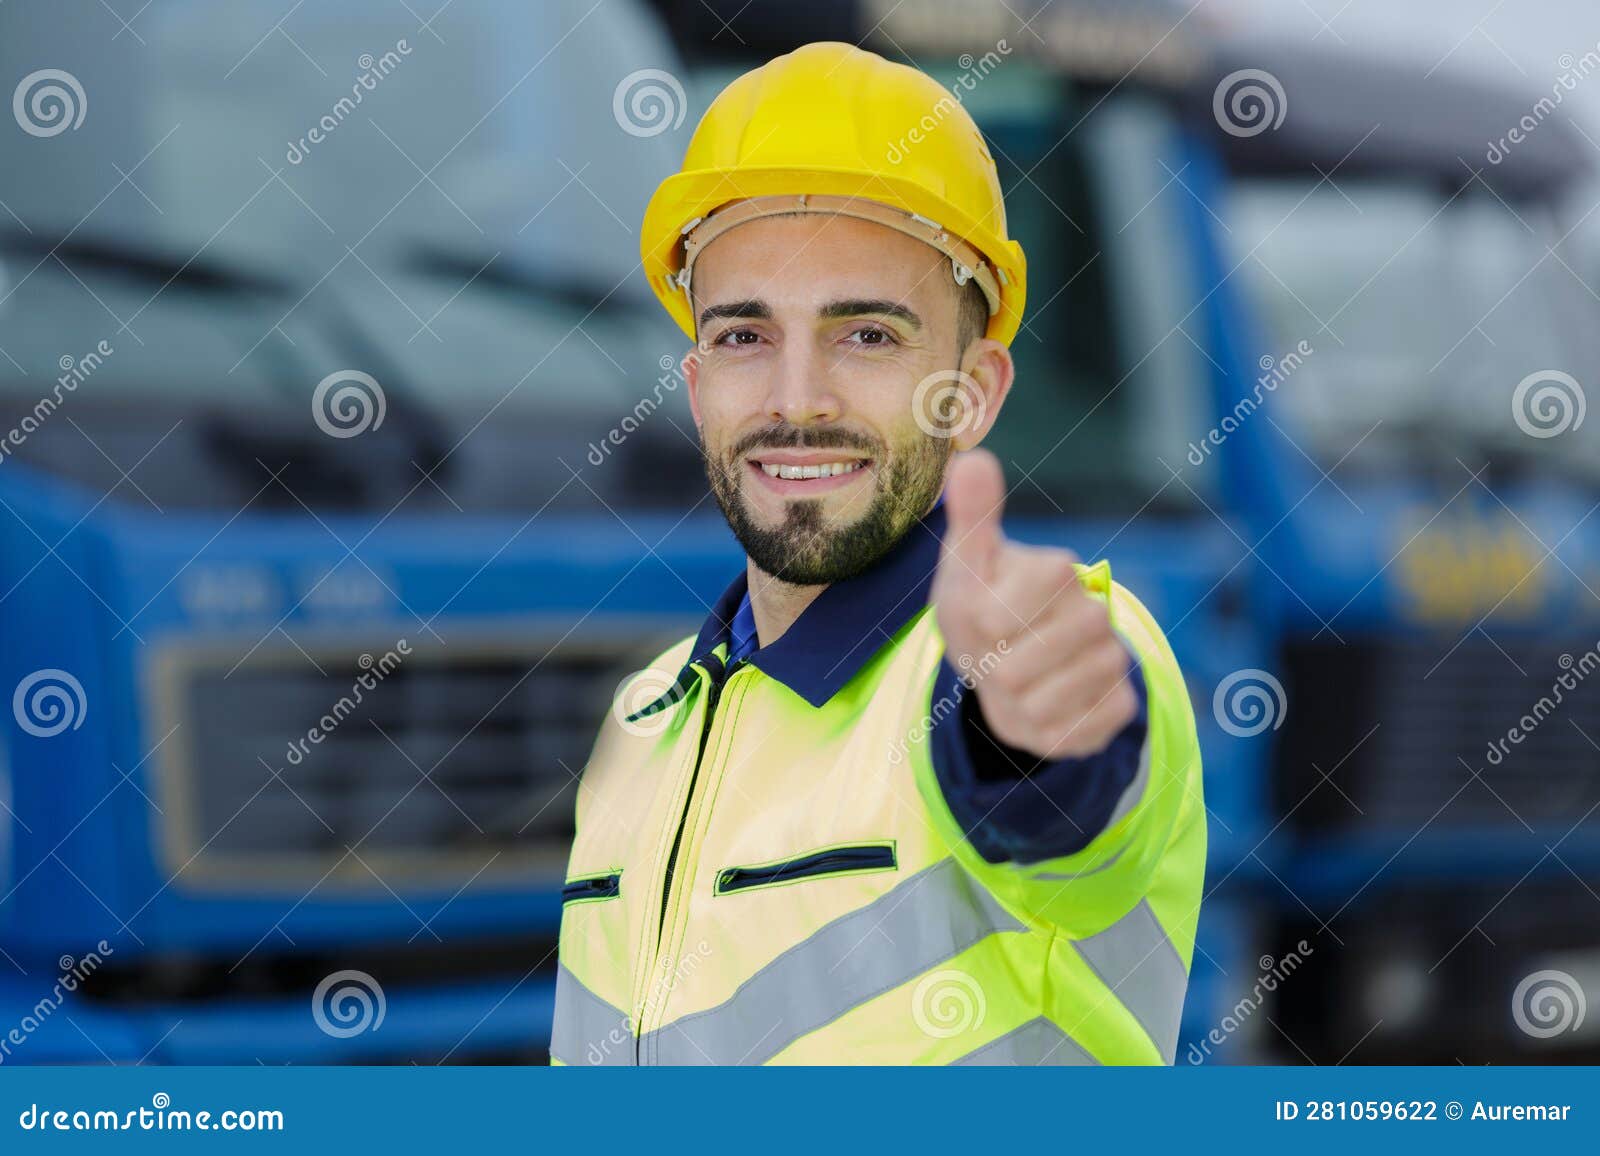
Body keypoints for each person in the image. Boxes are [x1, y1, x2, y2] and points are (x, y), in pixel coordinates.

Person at [552, 41, 1205, 1066]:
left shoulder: (1034, 655)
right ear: (694, 384)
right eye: (742, 336)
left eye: (865, 336)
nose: (795, 398)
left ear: (976, 390)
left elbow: (1055, 785)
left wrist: (1030, 726)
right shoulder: (642, 722)